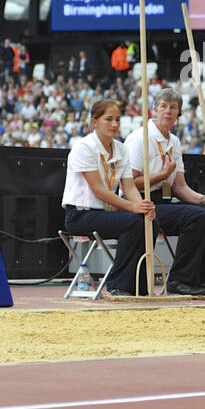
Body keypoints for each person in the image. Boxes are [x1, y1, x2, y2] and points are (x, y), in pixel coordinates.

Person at [124, 88, 205, 296]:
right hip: (139, 202)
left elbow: (180, 186)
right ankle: (179, 280)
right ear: (154, 110)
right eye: (163, 106)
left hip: (164, 201)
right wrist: (162, 175)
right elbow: (129, 184)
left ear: (179, 114)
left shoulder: (174, 142)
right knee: (194, 217)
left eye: (173, 108)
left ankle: (202, 278)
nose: (168, 111)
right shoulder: (140, 138)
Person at [61, 99, 156, 297]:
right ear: (94, 122)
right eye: (109, 119)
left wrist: (143, 206)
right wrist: (132, 208)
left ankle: (137, 285)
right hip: (80, 214)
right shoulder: (84, 147)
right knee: (133, 221)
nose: (114, 124)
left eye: (118, 120)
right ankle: (118, 284)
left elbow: (128, 186)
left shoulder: (122, 149)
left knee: (145, 220)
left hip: (104, 212)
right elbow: (98, 190)